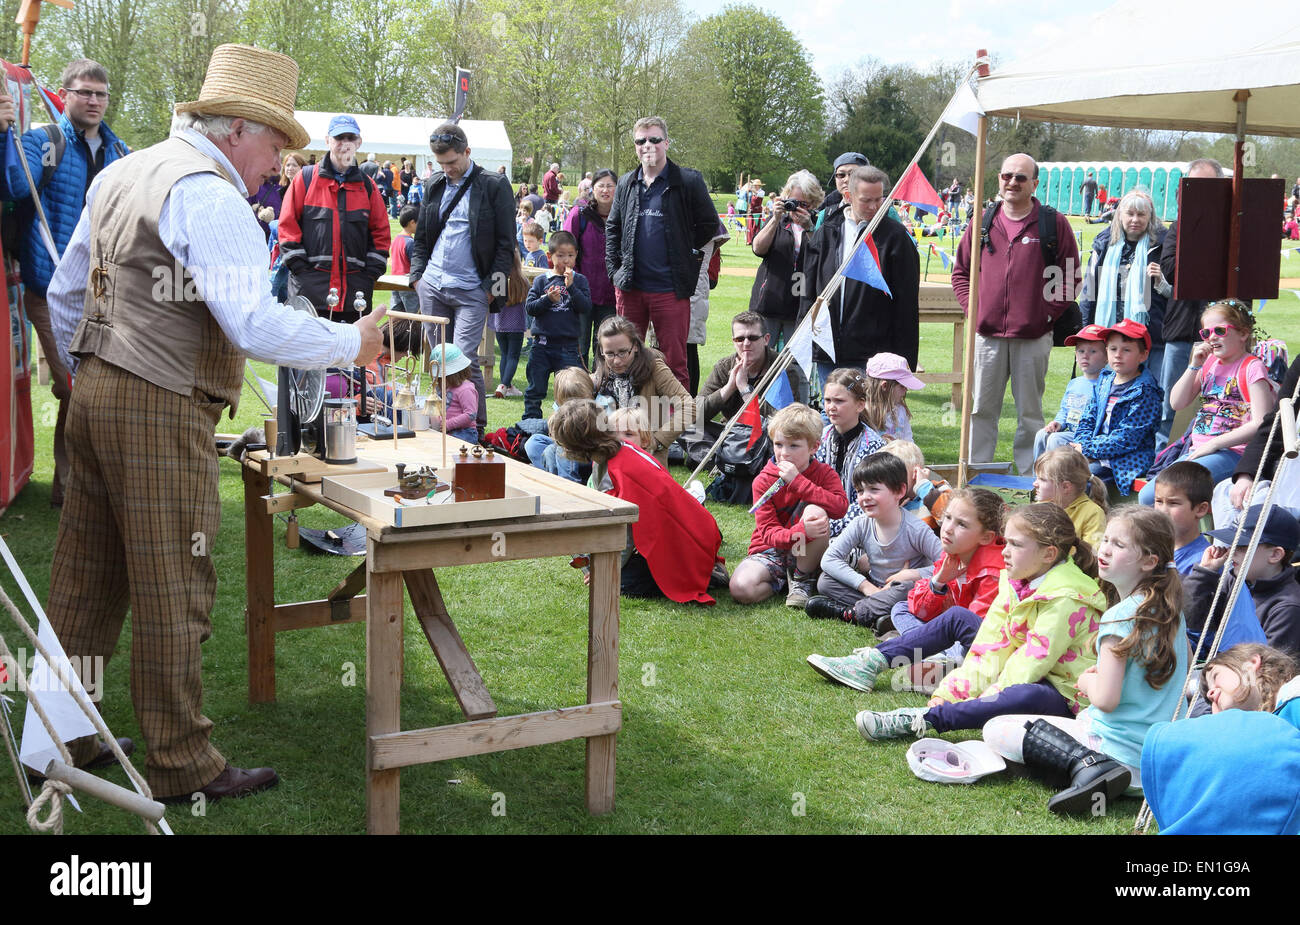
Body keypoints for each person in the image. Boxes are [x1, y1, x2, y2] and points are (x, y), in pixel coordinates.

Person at [45, 43, 387, 802]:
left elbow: (68, 291)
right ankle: (179, 761)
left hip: (96, 389)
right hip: (158, 404)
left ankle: (54, 735)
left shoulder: (123, 172)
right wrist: (352, 342)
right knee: (174, 580)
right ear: (236, 129)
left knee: (83, 576)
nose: (282, 163)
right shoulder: (209, 192)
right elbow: (255, 325)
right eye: (277, 142)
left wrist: (90, 376)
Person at [983, 507, 1187, 815]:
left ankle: (1088, 769)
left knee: (996, 728)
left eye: (1119, 545)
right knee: (1071, 724)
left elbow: (1105, 699)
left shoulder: (1120, 616)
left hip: (1114, 753)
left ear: (1149, 561)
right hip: (1158, 765)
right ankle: (1087, 773)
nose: (1105, 549)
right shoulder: (1171, 612)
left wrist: (1087, 681)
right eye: (1106, 539)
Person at [851, 504, 1107, 742]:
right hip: (1024, 673)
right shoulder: (1017, 580)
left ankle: (924, 719)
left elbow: (1030, 664)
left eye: (1016, 545)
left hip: (1064, 696)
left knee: (1026, 694)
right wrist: (949, 694)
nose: (1004, 552)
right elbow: (990, 646)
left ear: (1049, 554)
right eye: (1005, 542)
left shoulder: (1066, 599)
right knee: (959, 619)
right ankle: (872, 662)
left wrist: (974, 704)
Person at [0, 59, 129, 508]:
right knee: (74, 386)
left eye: (101, 93)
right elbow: (16, 185)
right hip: (50, 290)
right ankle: (77, 490)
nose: (94, 100)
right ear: (65, 94)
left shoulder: (119, 152)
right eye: (84, 92)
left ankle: (71, 488)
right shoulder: (42, 141)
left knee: (91, 388)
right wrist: (3, 135)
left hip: (105, 292)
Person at [951, 153, 1081, 475]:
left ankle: (1029, 477)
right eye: (1007, 175)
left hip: (1033, 337)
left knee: (1030, 414)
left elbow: (1069, 276)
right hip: (987, 336)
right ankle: (978, 473)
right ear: (999, 179)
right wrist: (974, 311)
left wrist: (1044, 317)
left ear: (1034, 183)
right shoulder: (983, 220)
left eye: (1020, 177)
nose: (1012, 182)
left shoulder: (1053, 222)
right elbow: (961, 273)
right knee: (980, 409)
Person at [807, 488, 1004, 687]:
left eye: (961, 524)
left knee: (955, 615)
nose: (948, 528)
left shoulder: (993, 572)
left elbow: (980, 629)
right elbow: (920, 609)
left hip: (983, 646)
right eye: (948, 517)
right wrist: (938, 582)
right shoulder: (952, 553)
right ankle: (934, 658)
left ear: (986, 537)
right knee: (901, 608)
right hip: (951, 634)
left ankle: (882, 661)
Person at [552, 399, 723, 603]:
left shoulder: (615, 470)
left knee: (622, 582)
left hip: (683, 544)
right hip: (692, 532)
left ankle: (707, 572)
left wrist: (604, 570)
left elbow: (624, 533)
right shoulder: (616, 452)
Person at [408, 121, 516, 435]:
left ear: (467, 152)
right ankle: (440, 425)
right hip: (433, 285)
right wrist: (418, 278)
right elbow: (423, 237)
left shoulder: (494, 184)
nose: (447, 169)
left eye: (452, 162)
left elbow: (506, 245)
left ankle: (475, 430)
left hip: (474, 289)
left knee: (463, 361)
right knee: (440, 361)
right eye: (441, 164)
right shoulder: (435, 184)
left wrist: (491, 292)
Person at [605, 115, 719, 389]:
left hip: (670, 288)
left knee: (674, 362)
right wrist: (615, 271)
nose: (648, 145)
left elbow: (708, 225)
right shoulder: (625, 183)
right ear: (635, 146)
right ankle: (628, 422)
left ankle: (676, 429)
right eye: (641, 141)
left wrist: (685, 252)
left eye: (655, 139)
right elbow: (613, 228)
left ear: (666, 143)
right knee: (623, 360)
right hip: (631, 287)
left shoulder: (688, 181)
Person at [1141, 644, 1300, 835]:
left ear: (1251, 664)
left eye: (1216, 677)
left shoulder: (1294, 700)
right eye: (1208, 699)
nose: (1210, 693)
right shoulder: (1266, 731)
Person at [1138, 300, 1275, 505]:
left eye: (1219, 330)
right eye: (1206, 333)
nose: (1211, 337)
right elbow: (1177, 402)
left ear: (1243, 334)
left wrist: (1215, 444)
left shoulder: (1252, 367)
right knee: (1149, 496)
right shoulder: (1209, 363)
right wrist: (1194, 365)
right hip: (1198, 450)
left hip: (1232, 453)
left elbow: (1260, 423)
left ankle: (1184, 537)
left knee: (1164, 497)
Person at [800, 165, 921, 385]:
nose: (874, 206)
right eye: (866, 200)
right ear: (848, 196)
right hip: (828, 347)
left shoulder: (896, 238)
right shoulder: (827, 231)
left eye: (879, 199)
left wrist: (904, 360)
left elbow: (907, 303)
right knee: (832, 410)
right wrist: (805, 336)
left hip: (873, 353)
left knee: (868, 414)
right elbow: (808, 289)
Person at [729, 403, 848, 607]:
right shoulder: (764, 481)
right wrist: (801, 531)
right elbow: (767, 533)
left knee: (816, 511)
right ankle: (785, 582)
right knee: (740, 587)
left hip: (806, 550)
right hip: (771, 550)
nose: (784, 453)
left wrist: (798, 483)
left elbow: (840, 507)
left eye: (794, 446)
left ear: (814, 447)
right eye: (778, 444)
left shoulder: (824, 473)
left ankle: (801, 578)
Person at [804, 453, 942, 623]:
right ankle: (882, 614)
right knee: (825, 581)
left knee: (907, 589)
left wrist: (912, 574)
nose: (865, 497)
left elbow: (947, 564)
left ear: (899, 490)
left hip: (901, 590)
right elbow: (829, 559)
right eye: (860, 491)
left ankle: (850, 613)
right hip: (875, 588)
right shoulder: (861, 523)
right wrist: (866, 586)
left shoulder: (916, 529)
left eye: (874, 489)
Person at [278, 114, 390, 323]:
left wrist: (369, 275)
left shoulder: (367, 187)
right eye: (339, 138)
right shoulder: (306, 179)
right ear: (328, 140)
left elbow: (381, 234)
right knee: (308, 355)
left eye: (350, 138)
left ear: (358, 143)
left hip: (354, 294)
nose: (344, 144)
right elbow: (287, 227)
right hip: (310, 292)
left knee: (352, 356)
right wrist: (301, 270)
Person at [1157, 158, 1224, 449]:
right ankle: (1162, 462)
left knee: (1219, 403)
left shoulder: (1233, 229)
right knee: (1169, 404)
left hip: (1223, 337)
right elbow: (1170, 269)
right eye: (1192, 187)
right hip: (1183, 332)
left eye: (1207, 188)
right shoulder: (1178, 228)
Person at [1079, 189, 1169, 384]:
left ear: (1150, 217)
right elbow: (1090, 290)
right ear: (1119, 215)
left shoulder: (1165, 247)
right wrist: (1086, 331)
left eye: (1141, 214)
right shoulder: (1104, 245)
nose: (1135, 219)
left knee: (1149, 394)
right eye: (1130, 214)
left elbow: (1176, 293)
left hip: (1149, 338)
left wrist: (1161, 283)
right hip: (1109, 335)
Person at [1190, 504, 1300, 655]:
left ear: (1275, 555)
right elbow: (1193, 620)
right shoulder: (1234, 579)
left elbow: (1272, 670)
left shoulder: (1287, 607)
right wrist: (1205, 572)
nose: (1231, 551)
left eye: (1242, 546)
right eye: (1231, 543)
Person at [1072, 319, 1164, 497]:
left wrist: (1087, 450)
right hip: (1095, 451)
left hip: (1125, 460)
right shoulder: (1105, 380)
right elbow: (1087, 418)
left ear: (1143, 355)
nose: (1118, 355)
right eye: (1113, 349)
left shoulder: (1145, 392)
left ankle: (1088, 522)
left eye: (1126, 350)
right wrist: (1083, 445)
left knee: (1078, 481)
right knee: (1056, 464)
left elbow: (1125, 439)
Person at [591, 315, 694, 469]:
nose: (617, 361)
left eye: (623, 352)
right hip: (608, 460)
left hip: (647, 461)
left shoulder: (654, 368)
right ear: (601, 351)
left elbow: (689, 407)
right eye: (610, 354)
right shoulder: (599, 375)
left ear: (636, 346)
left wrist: (657, 441)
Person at [750, 170, 823, 354]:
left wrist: (809, 227)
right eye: (793, 202)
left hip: (801, 305)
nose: (796, 207)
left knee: (796, 364)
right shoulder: (778, 220)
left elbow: (823, 256)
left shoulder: (818, 224)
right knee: (761, 359)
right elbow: (758, 249)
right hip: (769, 301)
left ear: (814, 203)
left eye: (803, 204)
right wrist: (775, 220)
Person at [522, 230, 590, 420]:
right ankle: (530, 423)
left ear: (576, 255)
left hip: (567, 346)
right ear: (550, 257)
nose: (565, 260)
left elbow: (584, 307)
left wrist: (572, 287)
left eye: (570, 255)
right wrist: (547, 299)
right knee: (535, 389)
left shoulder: (580, 280)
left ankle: (566, 424)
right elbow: (530, 308)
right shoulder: (541, 280)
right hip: (542, 345)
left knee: (569, 391)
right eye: (560, 256)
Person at [696, 311, 805, 425]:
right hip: (730, 435)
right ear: (734, 341)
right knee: (689, 430)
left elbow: (786, 422)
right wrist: (729, 387)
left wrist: (745, 390)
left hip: (769, 437)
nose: (746, 343)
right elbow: (693, 414)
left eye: (752, 338)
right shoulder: (724, 367)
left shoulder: (783, 370)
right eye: (740, 339)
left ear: (766, 339)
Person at [814, 368, 887, 538]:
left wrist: (828, 527)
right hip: (820, 518)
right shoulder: (820, 439)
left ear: (860, 405)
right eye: (827, 400)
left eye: (839, 401)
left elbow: (867, 501)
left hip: (860, 525)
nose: (831, 407)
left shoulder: (873, 446)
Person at [561, 167, 617, 369]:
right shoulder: (580, 214)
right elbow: (565, 248)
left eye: (610, 186)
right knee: (579, 346)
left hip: (611, 294)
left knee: (605, 349)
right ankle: (576, 391)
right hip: (581, 293)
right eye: (600, 185)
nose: (605, 190)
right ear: (592, 188)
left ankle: (600, 391)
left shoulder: (622, 216)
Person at [1033, 323, 1106, 460]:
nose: (1085, 356)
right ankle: (1039, 476)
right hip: (1071, 431)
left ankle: (1054, 477)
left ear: (1107, 357)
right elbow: (1065, 410)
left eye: (1093, 351)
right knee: (1042, 435)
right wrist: (1058, 423)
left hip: (1089, 436)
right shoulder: (1074, 383)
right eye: (1081, 351)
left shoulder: (1106, 384)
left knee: (1055, 440)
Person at [524, 367, 595, 483]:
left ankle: (569, 483)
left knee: (558, 450)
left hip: (586, 454)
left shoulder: (593, 411)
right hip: (564, 447)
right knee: (534, 442)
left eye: (579, 400)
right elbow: (555, 434)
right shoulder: (560, 411)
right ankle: (550, 477)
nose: (573, 405)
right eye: (568, 402)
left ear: (590, 396)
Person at [1031, 447, 1108, 549]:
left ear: (1066, 487)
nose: (1035, 484)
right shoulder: (1040, 506)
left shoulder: (1093, 514)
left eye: (1042, 479)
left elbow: (1091, 556)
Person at [489, 249, 529, 399]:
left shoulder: (498, 280)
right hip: (516, 325)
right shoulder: (522, 280)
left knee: (505, 355)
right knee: (513, 356)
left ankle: (506, 384)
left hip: (500, 324)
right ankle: (504, 385)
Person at [862, 352, 923, 442]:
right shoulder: (862, 414)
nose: (906, 389)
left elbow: (909, 441)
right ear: (885, 386)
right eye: (902, 386)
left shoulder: (901, 411)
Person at [427, 344, 479, 443]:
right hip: (448, 430)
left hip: (465, 432)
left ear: (452, 375)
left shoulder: (466, 390)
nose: (439, 381)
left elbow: (470, 414)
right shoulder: (449, 387)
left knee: (452, 446)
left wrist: (449, 424)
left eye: (441, 378)